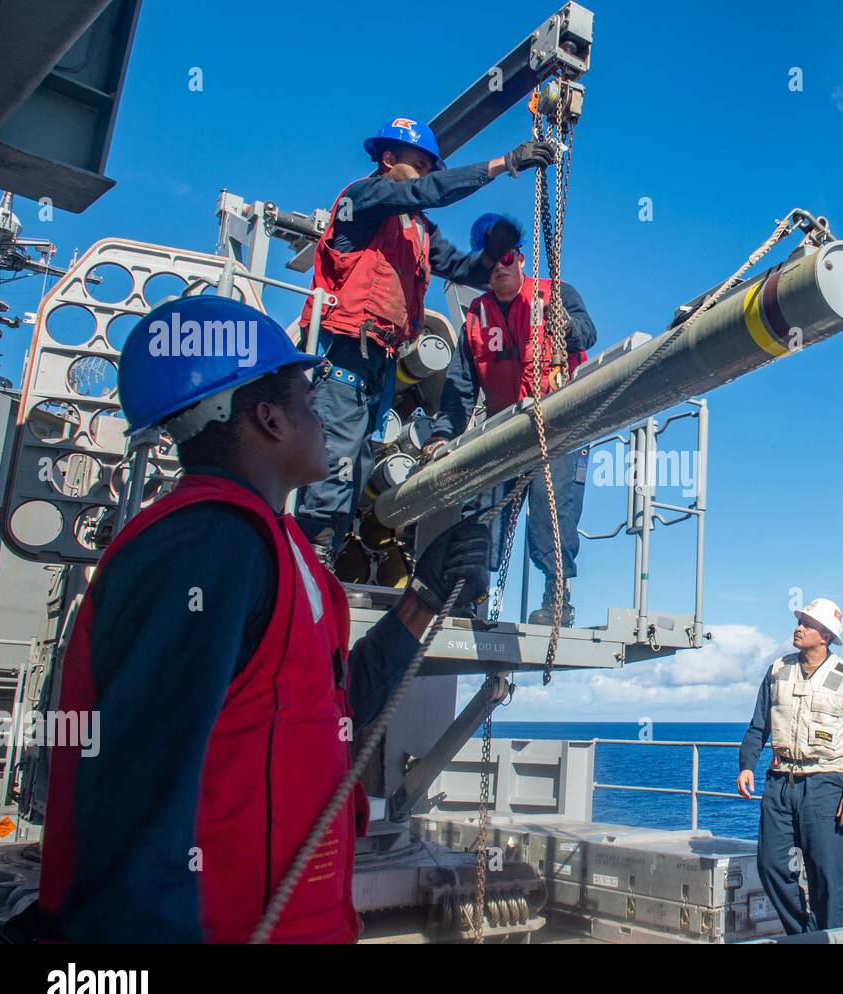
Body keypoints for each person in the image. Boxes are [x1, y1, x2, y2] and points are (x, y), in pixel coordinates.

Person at [38, 296, 488, 942]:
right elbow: (133, 815)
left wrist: (424, 593)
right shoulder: (201, 546)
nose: (324, 415)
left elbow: (334, 713)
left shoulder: (278, 549)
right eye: (310, 398)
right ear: (269, 419)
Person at [294, 118, 557, 565]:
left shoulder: (417, 228)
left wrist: (494, 253)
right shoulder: (366, 197)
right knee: (334, 457)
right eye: (419, 165)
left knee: (355, 464)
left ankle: (327, 557)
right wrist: (504, 163)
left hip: (378, 363)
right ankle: (312, 557)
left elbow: (461, 267)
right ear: (388, 159)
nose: (425, 176)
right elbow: (425, 193)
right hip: (343, 356)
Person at [425, 212, 597, 625]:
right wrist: (441, 436)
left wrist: (566, 326)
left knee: (550, 510)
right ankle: (471, 592)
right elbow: (461, 388)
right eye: (489, 262)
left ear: (520, 259)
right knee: (481, 508)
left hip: (557, 422)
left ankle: (557, 597)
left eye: (506, 259)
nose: (499, 268)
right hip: (505, 428)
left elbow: (588, 333)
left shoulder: (553, 293)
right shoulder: (475, 321)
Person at [737, 598, 843, 934]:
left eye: (808, 624)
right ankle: (806, 936)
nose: (799, 627)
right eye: (800, 621)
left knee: (826, 874)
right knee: (770, 865)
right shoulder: (777, 670)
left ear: (825, 635)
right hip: (780, 781)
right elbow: (758, 724)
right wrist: (747, 765)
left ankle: (827, 938)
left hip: (826, 784)